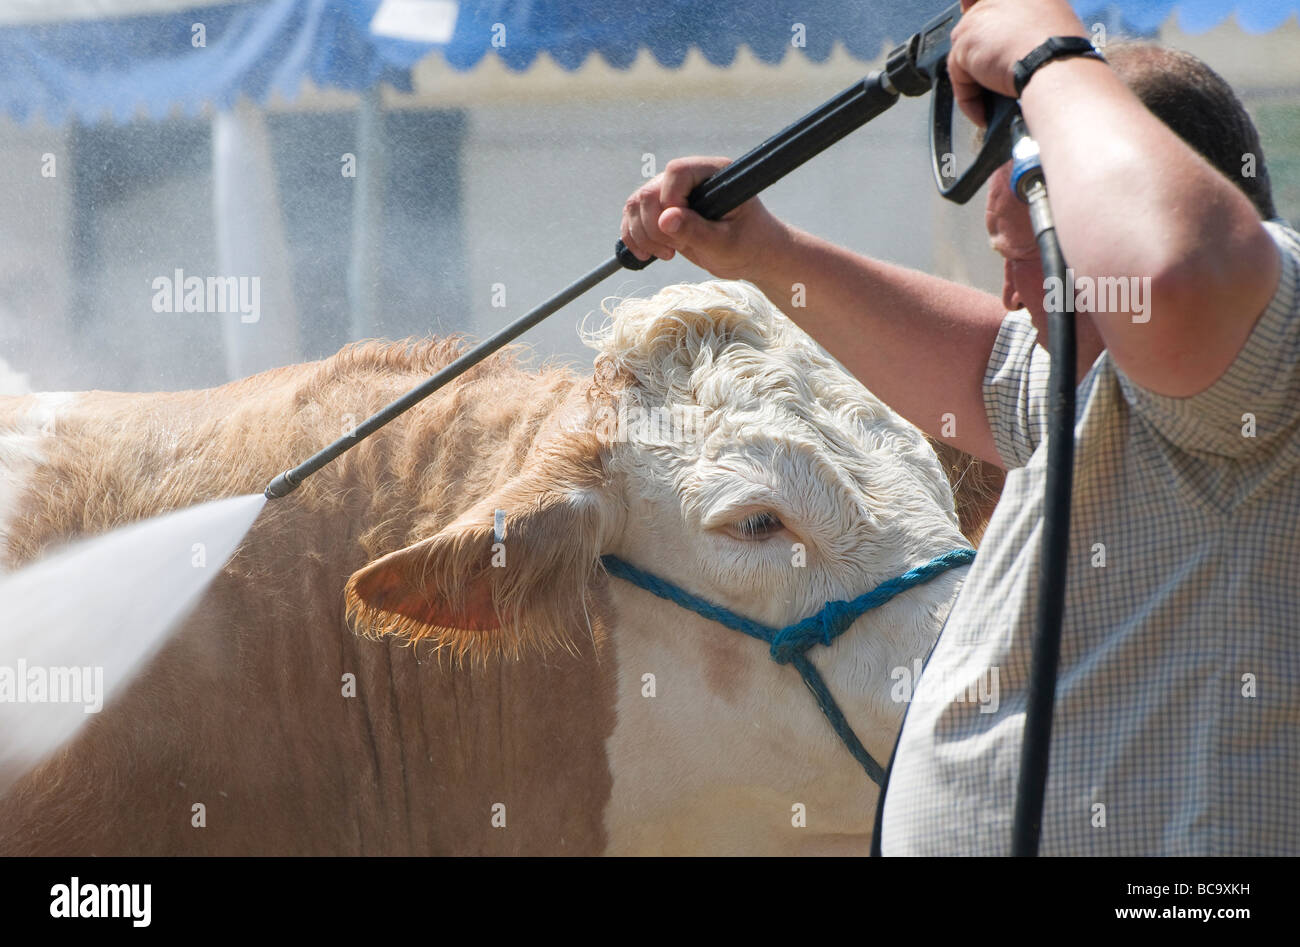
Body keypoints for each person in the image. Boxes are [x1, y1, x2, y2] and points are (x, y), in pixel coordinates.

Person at [618, 0, 1299, 856]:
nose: (1011, 294)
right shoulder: (1105, 379)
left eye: (1026, 258)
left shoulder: (1256, 342)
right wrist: (766, 253)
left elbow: (1175, 278)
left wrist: (1047, 56)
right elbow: (978, 369)